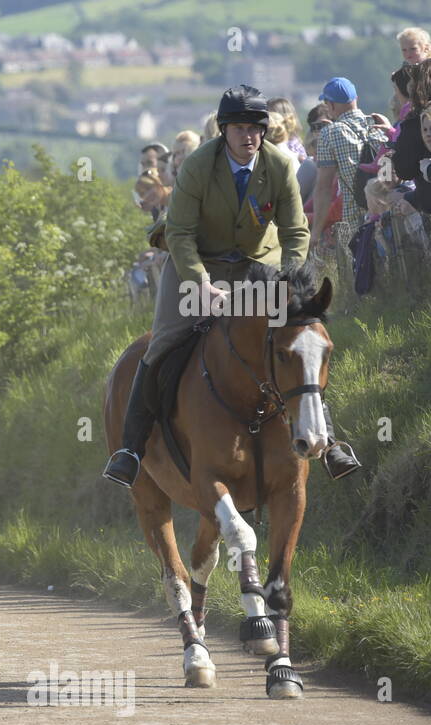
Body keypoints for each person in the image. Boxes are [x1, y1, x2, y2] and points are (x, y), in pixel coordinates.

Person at [103, 85, 361, 488]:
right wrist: (201, 284)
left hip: (258, 265)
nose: (249, 137)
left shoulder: (278, 164)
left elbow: (295, 230)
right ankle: (131, 448)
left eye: (256, 128)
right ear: (223, 131)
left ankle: (328, 441)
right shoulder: (198, 167)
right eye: (239, 128)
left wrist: (291, 282)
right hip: (195, 264)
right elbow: (182, 234)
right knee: (164, 341)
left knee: (299, 340)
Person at [310, 77, 391, 247]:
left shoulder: (329, 134)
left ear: (330, 105)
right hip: (389, 214)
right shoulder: (381, 125)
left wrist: (316, 233)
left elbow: (323, 188)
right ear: (356, 99)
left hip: (356, 222)